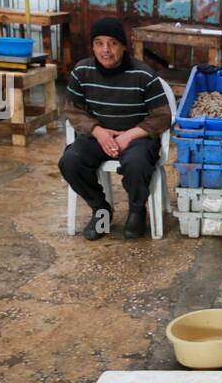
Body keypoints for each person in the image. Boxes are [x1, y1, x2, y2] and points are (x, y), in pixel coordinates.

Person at [59, 17, 170, 239]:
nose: (105, 50)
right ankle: (100, 209)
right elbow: (73, 111)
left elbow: (163, 116)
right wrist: (98, 132)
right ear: (92, 47)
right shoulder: (81, 72)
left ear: (123, 46)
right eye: (99, 43)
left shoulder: (143, 75)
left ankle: (137, 210)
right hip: (97, 135)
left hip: (137, 136)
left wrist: (129, 135)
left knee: (137, 163)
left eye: (112, 43)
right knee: (70, 161)